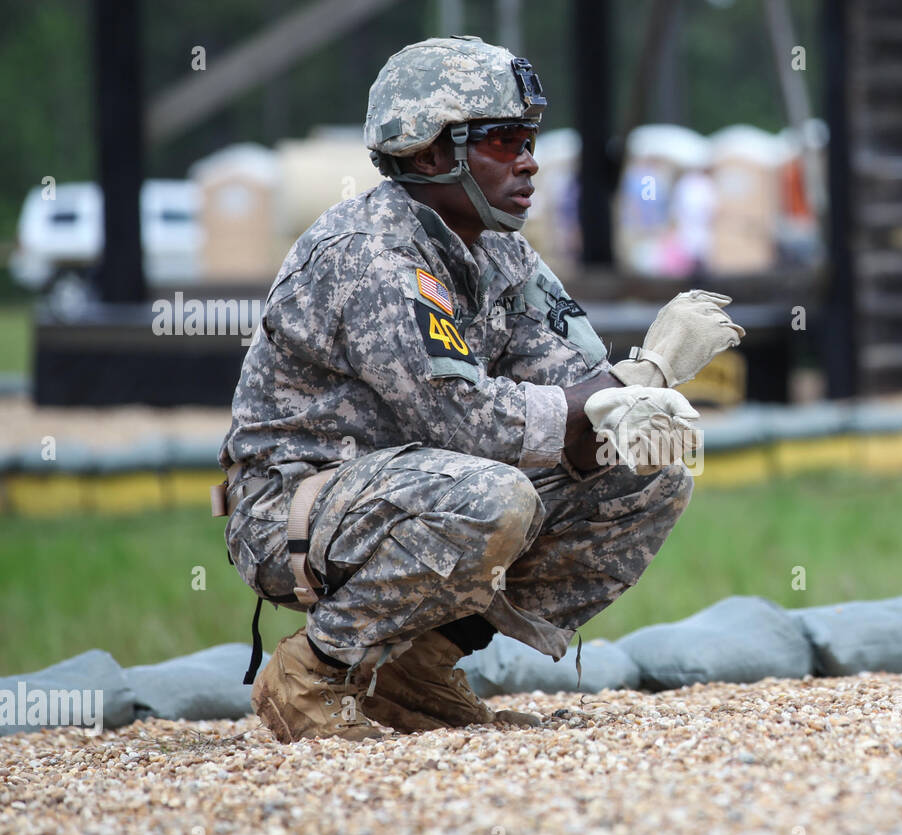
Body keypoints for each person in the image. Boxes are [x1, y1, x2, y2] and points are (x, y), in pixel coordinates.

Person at [216, 36, 744, 743]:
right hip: (295, 507)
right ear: (430, 152)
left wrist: (643, 379)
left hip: (417, 487)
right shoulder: (372, 255)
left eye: (530, 138)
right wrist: (620, 392)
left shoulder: (496, 249)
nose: (529, 159)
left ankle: (417, 670)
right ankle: (315, 672)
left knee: (649, 470)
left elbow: (566, 381)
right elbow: (462, 421)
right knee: (495, 496)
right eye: (503, 139)